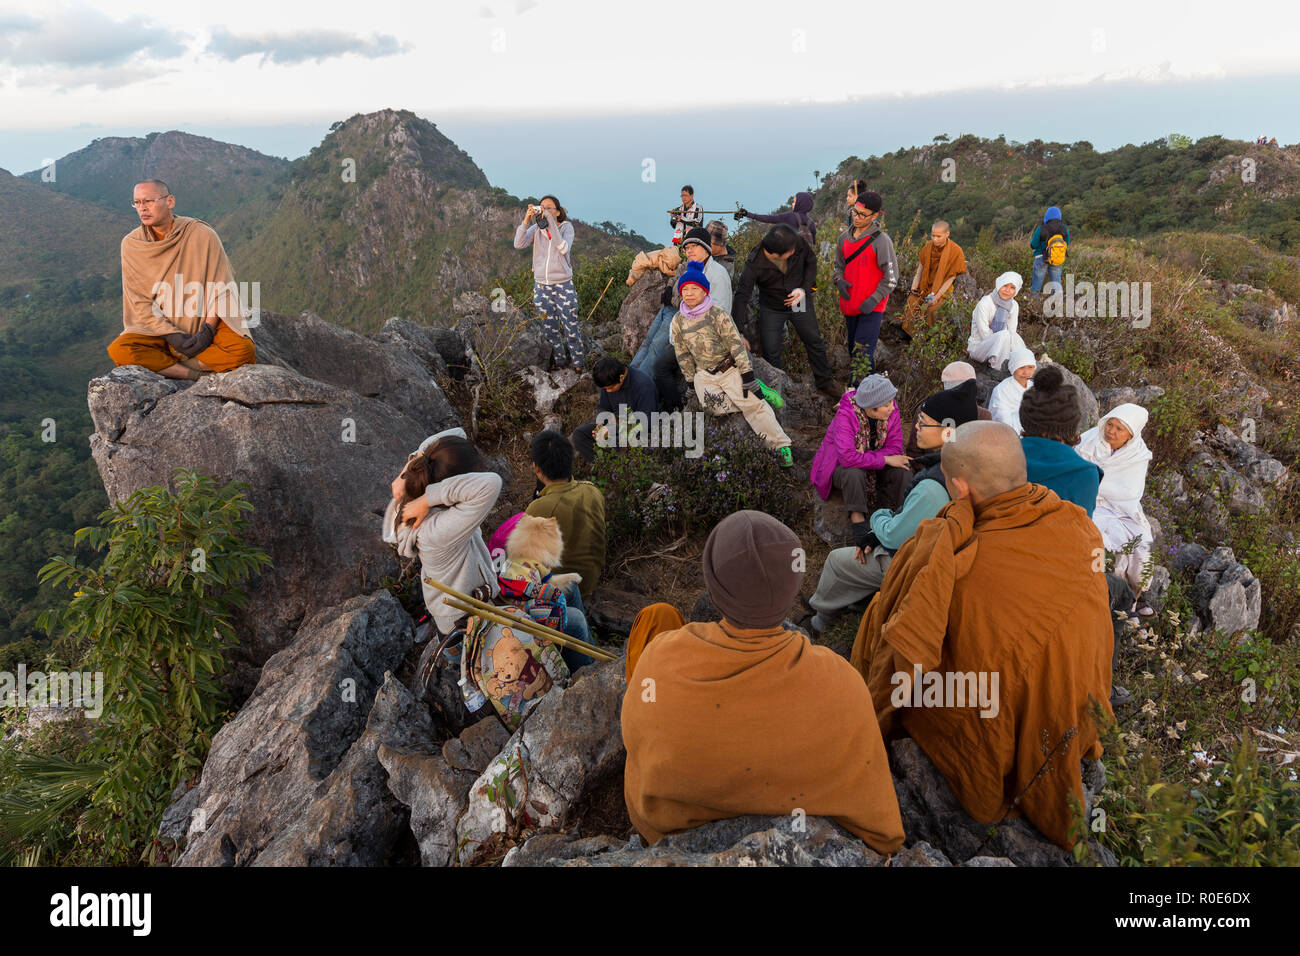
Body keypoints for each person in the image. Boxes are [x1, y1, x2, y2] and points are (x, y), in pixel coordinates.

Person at [849, 421, 1113, 849]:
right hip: (1077, 712)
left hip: (996, 735)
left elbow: (912, 645)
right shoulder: (1081, 528)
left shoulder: (958, 563)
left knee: (889, 613)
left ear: (959, 486)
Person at [622, 510, 906, 853]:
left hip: (670, 833)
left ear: (714, 586)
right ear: (793, 585)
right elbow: (876, 811)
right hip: (811, 841)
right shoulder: (843, 681)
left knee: (656, 617)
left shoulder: (660, 658)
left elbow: (636, 741)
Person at [802, 381, 980, 636]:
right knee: (857, 475)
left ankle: (820, 620)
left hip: (912, 567)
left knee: (835, 561)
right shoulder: (969, 464)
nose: (915, 426)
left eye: (923, 421)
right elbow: (848, 457)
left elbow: (894, 537)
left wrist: (879, 519)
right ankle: (856, 597)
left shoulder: (933, 486)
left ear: (949, 431)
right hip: (937, 558)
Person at [110, 180, 257, 379]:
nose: (142, 208)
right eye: (137, 202)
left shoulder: (201, 234)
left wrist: (207, 330)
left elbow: (221, 287)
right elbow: (139, 300)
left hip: (202, 315)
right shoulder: (132, 244)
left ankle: (167, 361)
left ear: (170, 201)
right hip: (158, 326)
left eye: (149, 201)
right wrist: (171, 335)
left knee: (243, 351)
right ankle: (191, 374)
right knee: (121, 349)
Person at [671, 261, 794, 467]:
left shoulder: (717, 314)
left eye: (694, 288)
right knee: (714, 407)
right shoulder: (678, 320)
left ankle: (781, 446)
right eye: (685, 289)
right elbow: (682, 352)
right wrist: (691, 381)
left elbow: (736, 344)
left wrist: (747, 375)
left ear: (704, 291)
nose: (689, 293)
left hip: (728, 369)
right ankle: (756, 392)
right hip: (704, 374)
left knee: (753, 406)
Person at [384, 428, 503, 639]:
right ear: (455, 484)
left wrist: (406, 471)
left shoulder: (410, 498)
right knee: (574, 621)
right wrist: (429, 498)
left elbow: (459, 433)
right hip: (466, 627)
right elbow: (491, 483)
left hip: (466, 609)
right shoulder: (435, 529)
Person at [634, 227, 737, 411]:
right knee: (647, 344)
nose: (688, 251)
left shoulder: (717, 275)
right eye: (686, 247)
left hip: (697, 334)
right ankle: (630, 379)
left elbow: (720, 313)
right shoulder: (691, 265)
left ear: (706, 247)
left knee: (659, 359)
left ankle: (646, 397)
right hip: (675, 316)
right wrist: (669, 290)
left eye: (693, 246)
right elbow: (677, 280)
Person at [733, 225, 838, 400]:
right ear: (776, 254)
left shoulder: (795, 242)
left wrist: (804, 289)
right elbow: (742, 295)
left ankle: (825, 382)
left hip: (799, 300)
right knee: (771, 350)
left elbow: (811, 261)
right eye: (790, 252)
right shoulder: (755, 263)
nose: (794, 251)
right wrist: (738, 331)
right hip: (772, 307)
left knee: (813, 340)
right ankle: (777, 389)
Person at [809, 373, 910, 531]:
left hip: (868, 460)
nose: (892, 407)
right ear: (870, 408)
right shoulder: (846, 415)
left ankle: (904, 520)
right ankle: (859, 524)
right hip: (838, 467)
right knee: (853, 472)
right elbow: (847, 458)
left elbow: (895, 448)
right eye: (886, 404)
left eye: (891, 401)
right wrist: (884, 460)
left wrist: (866, 456)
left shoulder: (891, 410)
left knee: (902, 470)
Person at [1076, 404, 1154, 595]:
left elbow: (1129, 491)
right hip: (1087, 500)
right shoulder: (1089, 441)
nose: (1111, 431)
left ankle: (1135, 593)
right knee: (1096, 537)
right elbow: (1075, 472)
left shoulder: (1137, 455)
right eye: (1110, 424)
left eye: (1119, 429)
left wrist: (1102, 487)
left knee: (1141, 540)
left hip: (1121, 508)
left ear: (1131, 434)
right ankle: (1100, 589)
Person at [525, 430, 607, 604]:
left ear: (536, 468)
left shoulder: (539, 507)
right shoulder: (592, 490)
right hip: (591, 580)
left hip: (564, 591)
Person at [1018, 365, 1102, 517]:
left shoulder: (1002, 458)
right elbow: (1081, 531)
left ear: (1025, 419)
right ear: (1072, 424)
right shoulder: (1084, 474)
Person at [513, 195, 584, 368]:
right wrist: (526, 220)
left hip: (563, 285)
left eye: (549, 208)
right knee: (550, 328)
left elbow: (562, 247)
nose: (544, 210)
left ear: (558, 212)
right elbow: (519, 243)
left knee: (570, 327)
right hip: (541, 286)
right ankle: (559, 362)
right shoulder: (537, 228)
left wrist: (551, 222)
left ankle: (579, 364)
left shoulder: (567, 228)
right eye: (542, 207)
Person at [832, 191, 898, 368]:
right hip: (850, 306)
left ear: (875, 215)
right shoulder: (843, 238)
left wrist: (874, 299)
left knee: (862, 354)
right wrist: (838, 280)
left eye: (863, 214)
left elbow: (892, 278)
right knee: (854, 352)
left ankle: (856, 393)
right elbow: (838, 266)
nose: (857, 217)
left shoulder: (882, 241)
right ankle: (870, 391)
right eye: (855, 211)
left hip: (871, 308)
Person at [571, 357, 659, 462]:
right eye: (605, 389)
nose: (608, 392)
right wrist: (603, 424)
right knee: (580, 434)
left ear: (621, 377)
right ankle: (602, 466)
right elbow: (603, 407)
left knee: (617, 441)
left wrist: (613, 430)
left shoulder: (643, 386)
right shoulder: (609, 380)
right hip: (616, 427)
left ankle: (615, 466)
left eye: (610, 388)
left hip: (639, 432)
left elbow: (646, 423)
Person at [903, 221, 966, 336]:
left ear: (947, 234)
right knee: (912, 302)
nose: (935, 239)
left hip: (943, 288)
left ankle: (928, 339)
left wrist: (936, 297)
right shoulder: (928, 247)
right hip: (925, 285)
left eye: (938, 236)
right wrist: (914, 285)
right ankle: (912, 336)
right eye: (933, 236)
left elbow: (951, 278)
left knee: (932, 309)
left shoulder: (956, 251)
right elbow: (920, 269)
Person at [968, 271, 1027, 369]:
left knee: (1015, 337)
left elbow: (1012, 331)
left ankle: (1022, 365)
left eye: (1012, 287)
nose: (1007, 290)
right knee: (1004, 335)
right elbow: (984, 333)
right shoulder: (986, 303)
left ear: (1016, 291)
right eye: (1005, 285)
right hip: (979, 347)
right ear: (999, 284)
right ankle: (998, 368)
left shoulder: (1014, 305)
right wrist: (1003, 342)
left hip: (1002, 345)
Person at [736, 190, 818, 248]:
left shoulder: (789, 216)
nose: (792, 204)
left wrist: (748, 214)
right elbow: (813, 245)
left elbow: (768, 218)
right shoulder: (811, 223)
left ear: (800, 203)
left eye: (794, 202)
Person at [988, 348, 1037, 433]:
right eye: (1021, 367)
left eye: (1030, 367)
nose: (1026, 372)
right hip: (1010, 435)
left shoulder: (1035, 387)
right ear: (1013, 368)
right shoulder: (1001, 390)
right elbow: (1002, 418)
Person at [1029, 206, 1070, 295]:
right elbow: (1066, 244)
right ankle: (1057, 305)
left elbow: (1033, 245)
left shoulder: (1041, 228)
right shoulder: (1065, 229)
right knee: (1056, 284)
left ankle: (1032, 304)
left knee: (1036, 285)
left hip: (1041, 258)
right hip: (1057, 258)